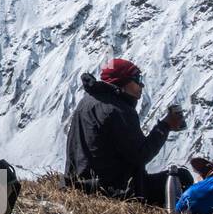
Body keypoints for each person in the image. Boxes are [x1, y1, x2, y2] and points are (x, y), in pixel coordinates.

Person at [64, 57, 191, 205]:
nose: (141, 84)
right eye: (137, 79)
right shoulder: (118, 110)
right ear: (123, 81)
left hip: (79, 185)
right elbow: (141, 155)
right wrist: (165, 126)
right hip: (113, 191)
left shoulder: (87, 101)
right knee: (181, 178)